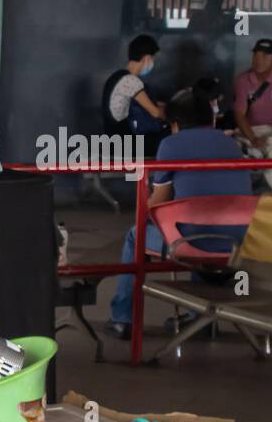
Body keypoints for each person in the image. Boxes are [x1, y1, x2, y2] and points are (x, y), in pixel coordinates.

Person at [106, 89, 252, 339]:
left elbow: (156, 204)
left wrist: (147, 210)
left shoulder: (171, 144)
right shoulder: (231, 144)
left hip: (194, 241)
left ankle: (123, 319)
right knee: (200, 226)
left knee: (137, 235)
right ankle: (201, 318)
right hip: (239, 241)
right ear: (211, 119)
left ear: (175, 124)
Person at [233, 38, 272, 196]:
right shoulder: (243, 81)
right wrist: (253, 139)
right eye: (256, 55)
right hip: (248, 132)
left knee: (269, 146)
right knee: (269, 151)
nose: (259, 60)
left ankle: (263, 148)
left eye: (265, 56)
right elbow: (239, 114)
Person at [102, 34, 167, 149]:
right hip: (123, 142)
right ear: (146, 58)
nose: (152, 63)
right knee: (169, 134)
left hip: (111, 138)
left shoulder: (117, 76)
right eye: (153, 59)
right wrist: (173, 115)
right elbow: (155, 113)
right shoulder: (131, 81)